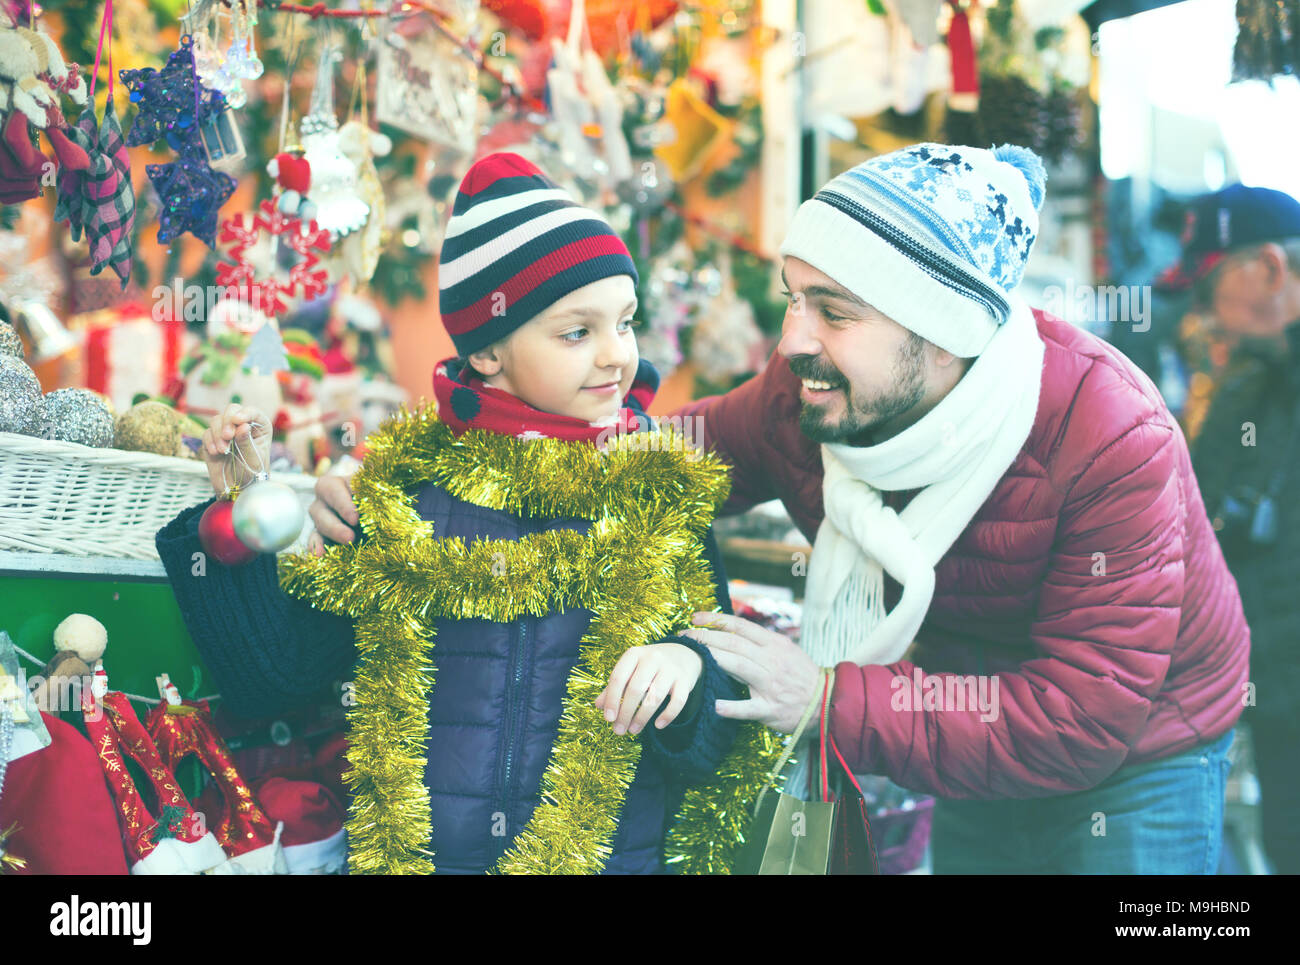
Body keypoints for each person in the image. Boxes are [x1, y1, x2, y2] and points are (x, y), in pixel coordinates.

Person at [311, 143, 1251, 874]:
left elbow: (1079, 719)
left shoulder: (1110, 438)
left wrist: (829, 698)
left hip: (1138, 756)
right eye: (797, 299)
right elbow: (651, 452)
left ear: (940, 331)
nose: (793, 337)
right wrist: (431, 482)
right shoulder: (813, 389)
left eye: (833, 311)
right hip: (956, 709)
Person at [154, 152, 742, 875]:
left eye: (625, 322)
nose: (618, 356)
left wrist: (691, 665)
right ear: (489, 351)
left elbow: (724, 716)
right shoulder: (408, 493)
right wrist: (241, 513)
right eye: (576, 331)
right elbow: (275, 680)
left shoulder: (660, 495)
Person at [1160, 184, 1300, 874]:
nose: (1200, 311)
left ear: (1271, 269)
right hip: (1273, 701)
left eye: (1209, 285)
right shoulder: (1249, 380)